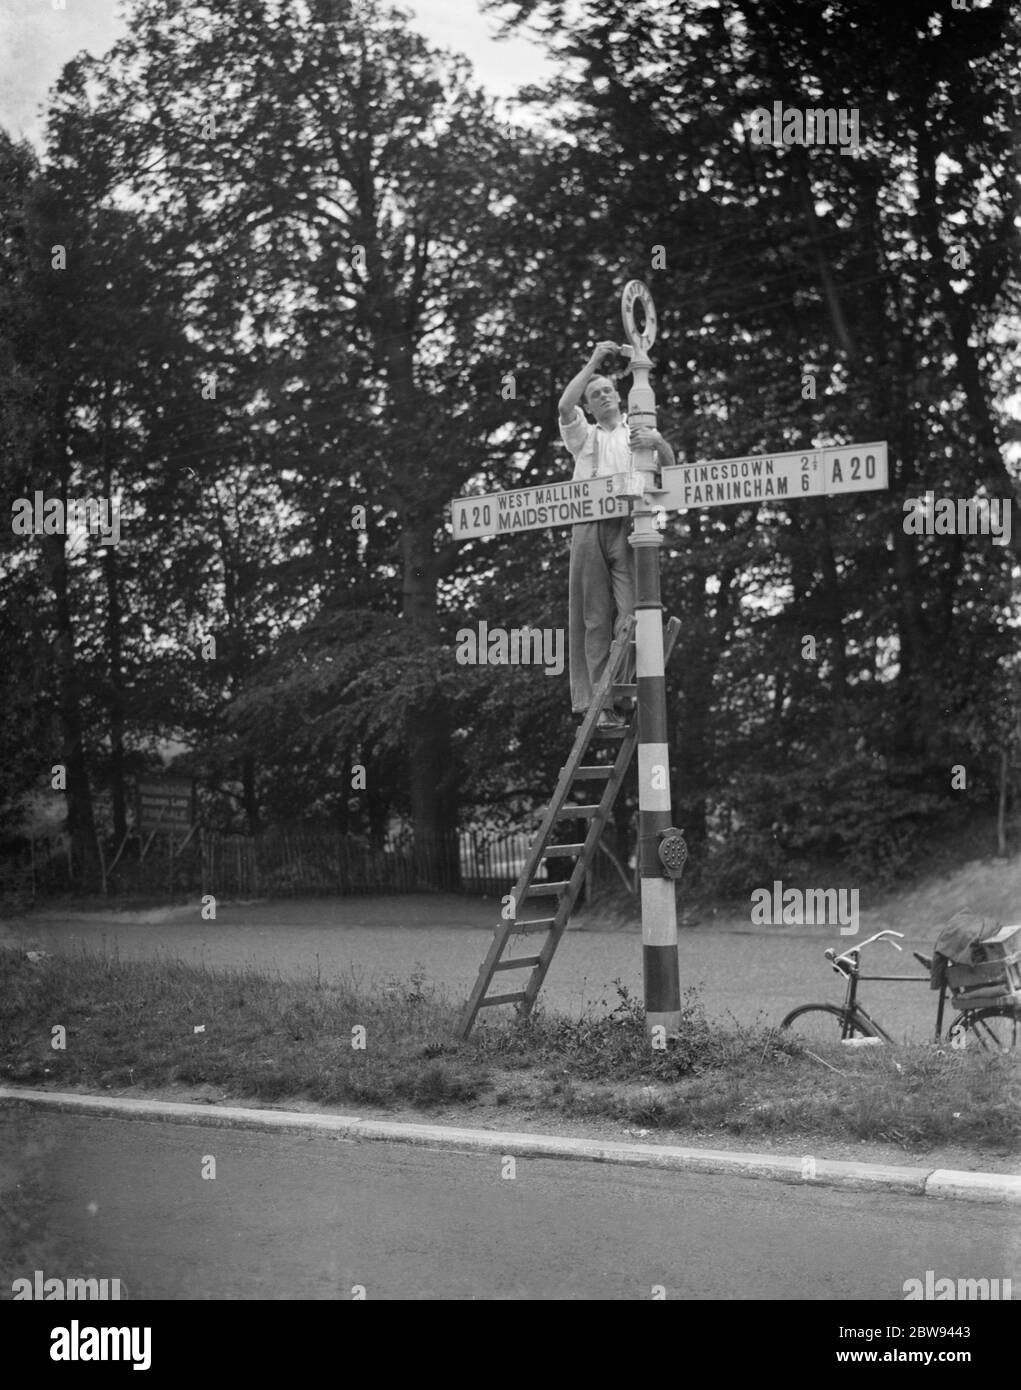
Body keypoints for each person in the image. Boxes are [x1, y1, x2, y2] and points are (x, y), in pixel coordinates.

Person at [557, 341, 675, 726]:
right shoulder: (584, 436)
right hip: (590, 526)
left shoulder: (639, 434)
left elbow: (671, 475)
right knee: (594, 617)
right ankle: (598, 705)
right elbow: (563, 406)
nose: (603, 395)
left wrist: (659, 444)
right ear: (588, 406)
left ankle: (620, 692)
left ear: (620, 397)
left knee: (633, 612)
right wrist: (593, 361)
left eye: (608, 389)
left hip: (631, 525)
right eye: (595, 393)